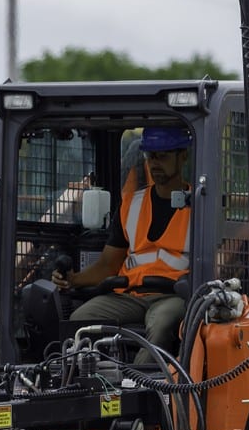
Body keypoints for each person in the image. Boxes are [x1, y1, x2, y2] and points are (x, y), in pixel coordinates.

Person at [51, 126, 192, 368]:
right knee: (81, 320)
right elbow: (108, 264)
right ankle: (86, 382)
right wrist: (73, 279)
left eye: (163, 156)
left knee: (162, 323)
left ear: (183, 156)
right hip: (130, 294)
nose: (155, 163)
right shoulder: (132, 204)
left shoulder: (199, 205)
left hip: (173, 296)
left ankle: (137, 383)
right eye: (150, 156)